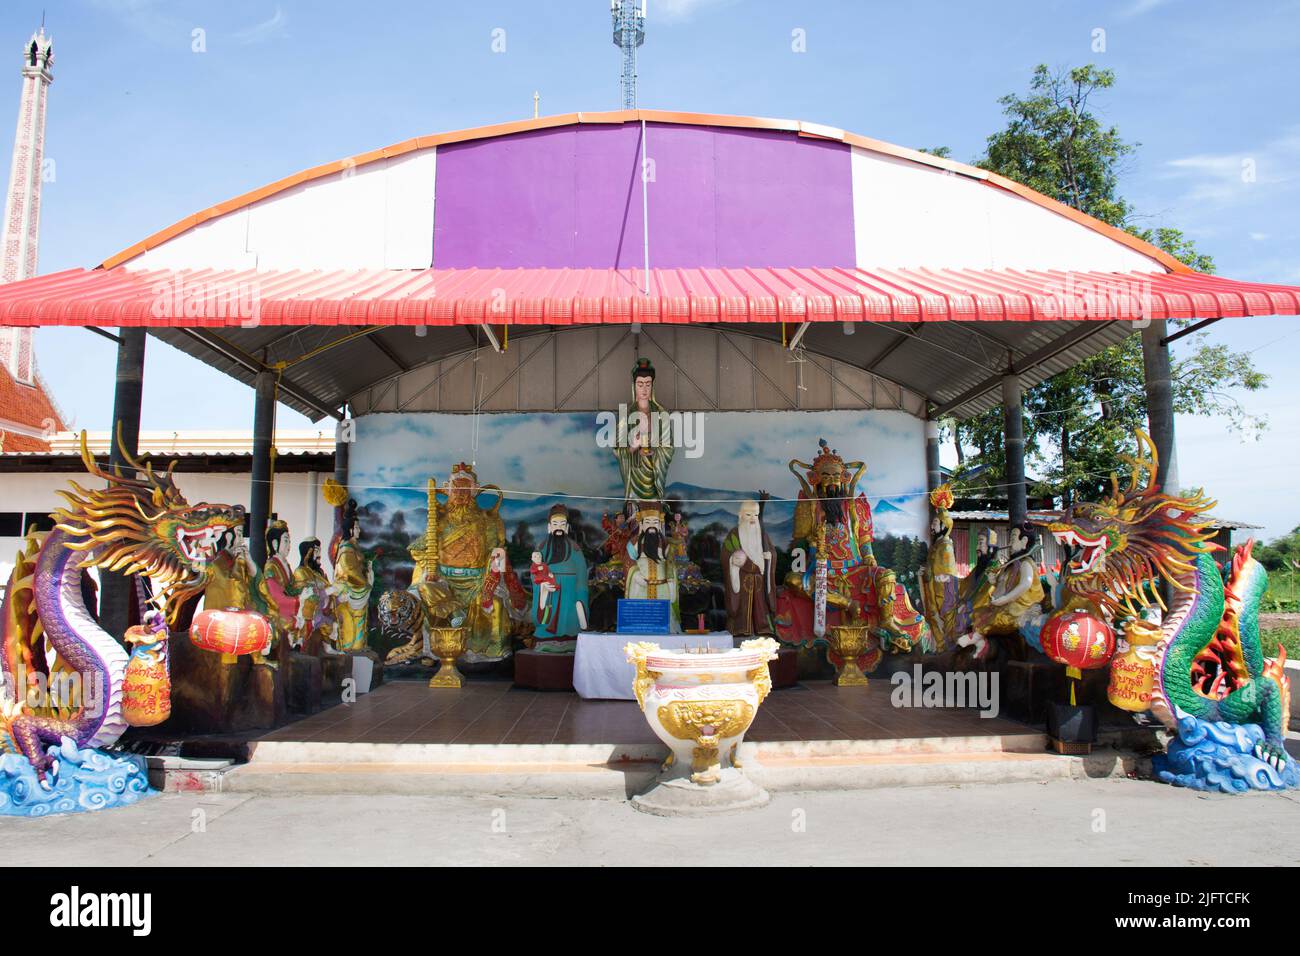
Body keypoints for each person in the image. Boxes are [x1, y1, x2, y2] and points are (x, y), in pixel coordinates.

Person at [612, 358, 675, 504]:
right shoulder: (625, 414)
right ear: (634, 386)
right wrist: (633, 447)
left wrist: (654, 449)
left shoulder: (661, 413)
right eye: (640, 384)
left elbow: (669, 449)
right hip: (634, 476)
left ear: (653, 385)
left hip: (653, 475)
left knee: (654, 513)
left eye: (648, 384)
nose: (644, 389)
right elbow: (617, 450)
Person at [529, 504, 589, 640]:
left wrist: (580, 598)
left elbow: (582, 576)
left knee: (570, 616)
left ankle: (571, 637)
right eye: (555, 524)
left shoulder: (575, 548)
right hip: (550, 591)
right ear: (549, 527)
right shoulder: (542, 547)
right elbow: (534, 570)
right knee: (549, 616)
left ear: (567, 527)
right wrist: (542, 585)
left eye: (562, 524)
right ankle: (546, 638)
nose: (559, 527)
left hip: (570, 592)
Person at [721, 499, 777, 636]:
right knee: (741, 607)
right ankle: (741, 628)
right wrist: (733, 559)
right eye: (748, 515)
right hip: (741, 579)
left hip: (759, 580)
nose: (753, 519)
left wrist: (770, 557)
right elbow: (725, 555)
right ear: (740, 515)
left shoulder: (763, 535)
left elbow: (773, 553)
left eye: (756, 515)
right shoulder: (734, 534)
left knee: (760, 607)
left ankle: (762, 628)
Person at [624, 505, 680, 633]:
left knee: (665, 624)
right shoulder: (634, 543)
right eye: (647, 522)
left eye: (655, 522)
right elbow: (628, 561)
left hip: (662, 589)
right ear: (641, 524)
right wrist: (636, 575)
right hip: (640, 589)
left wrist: (671, 577)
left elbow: (671, 564)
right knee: (640, 626)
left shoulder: (665, 543)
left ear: (660, 524)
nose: (651, 525)